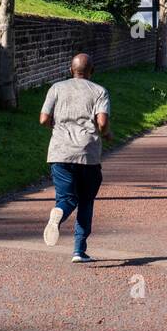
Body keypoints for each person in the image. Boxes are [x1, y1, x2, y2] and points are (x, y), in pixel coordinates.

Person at [40, 52, 111, 262]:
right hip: (87, 154)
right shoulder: (99, 91)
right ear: (92, 71)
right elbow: (103, 123)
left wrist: (56, 128)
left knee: (66, 198)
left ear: (71, 69)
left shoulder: (56, 88)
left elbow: (43, 118)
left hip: (60, 152)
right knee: (86, 201)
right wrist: (106, 134)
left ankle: (59, 212)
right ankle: (79, 251)